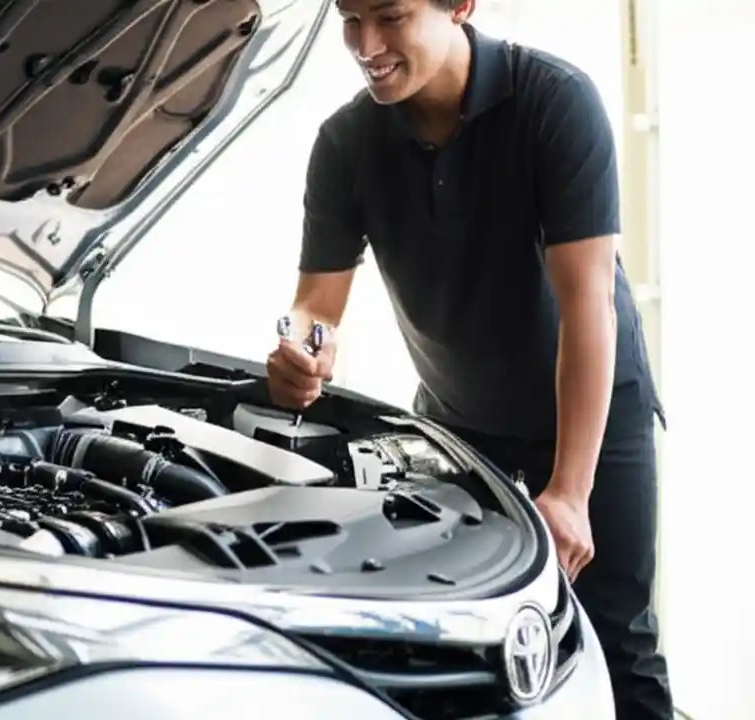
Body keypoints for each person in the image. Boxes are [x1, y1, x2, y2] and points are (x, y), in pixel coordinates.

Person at [265, 1, 672, 718]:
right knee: (460, 647)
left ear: (459, 4)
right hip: (458, 422)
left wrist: (570, 492)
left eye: (389, 16)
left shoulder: (554, 102)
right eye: (350, 19)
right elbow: (316, 308)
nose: (366, 45)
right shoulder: (345, 143)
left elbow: (588, 306)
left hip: (589, 416)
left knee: (617, 641)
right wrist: (303, 349)